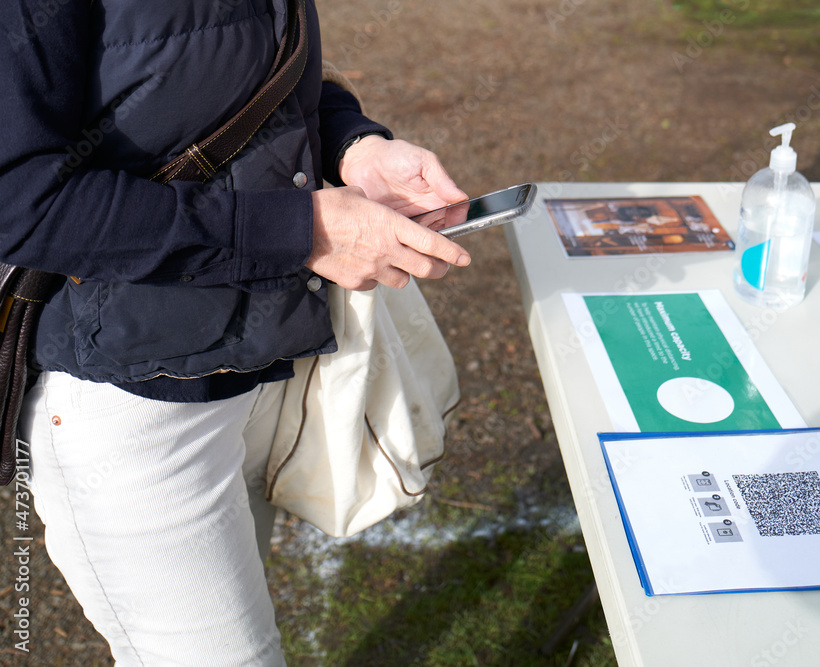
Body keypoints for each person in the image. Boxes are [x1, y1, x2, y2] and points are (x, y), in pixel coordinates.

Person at [0, 1, 469, 663]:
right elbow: (19, 201)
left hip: (257, 365)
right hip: (133, 415)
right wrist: (300, 230)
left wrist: (355, 144)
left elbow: (246, 80)